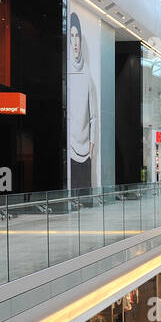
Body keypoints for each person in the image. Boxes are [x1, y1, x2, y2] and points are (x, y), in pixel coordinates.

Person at [67, 11, 97, 189]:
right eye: (71, 36)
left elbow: (93, 116)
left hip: (86, 150)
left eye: (77, 35)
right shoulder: (67, 72)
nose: (75, 40)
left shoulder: (86, 74)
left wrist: (92, 144)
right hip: (70, 147)